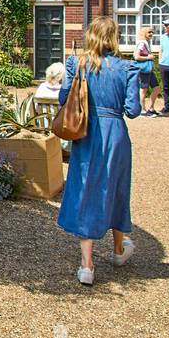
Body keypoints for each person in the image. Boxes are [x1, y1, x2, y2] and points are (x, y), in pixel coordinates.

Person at [57, 17, 141, 285]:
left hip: (86, 133)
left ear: (90, 36)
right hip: (115, 133)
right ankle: (118, 251)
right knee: (115, 189)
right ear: (114, 37)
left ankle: (87, 266)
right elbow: (133, 111)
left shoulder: (76, 64)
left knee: (86, 190)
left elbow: (63, 99)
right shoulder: (127, 68)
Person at [134, 26, 159, 116]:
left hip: (149, 70)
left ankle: (151, 108)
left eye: (152, 32)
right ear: (144, 33)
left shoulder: (146, 43)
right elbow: (136, 56)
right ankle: (142, 110)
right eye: (149, 32)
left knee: (156, 88)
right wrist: (149, 57)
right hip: (144, 70)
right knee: (143, 90)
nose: (151, 34)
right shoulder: (142, 43)